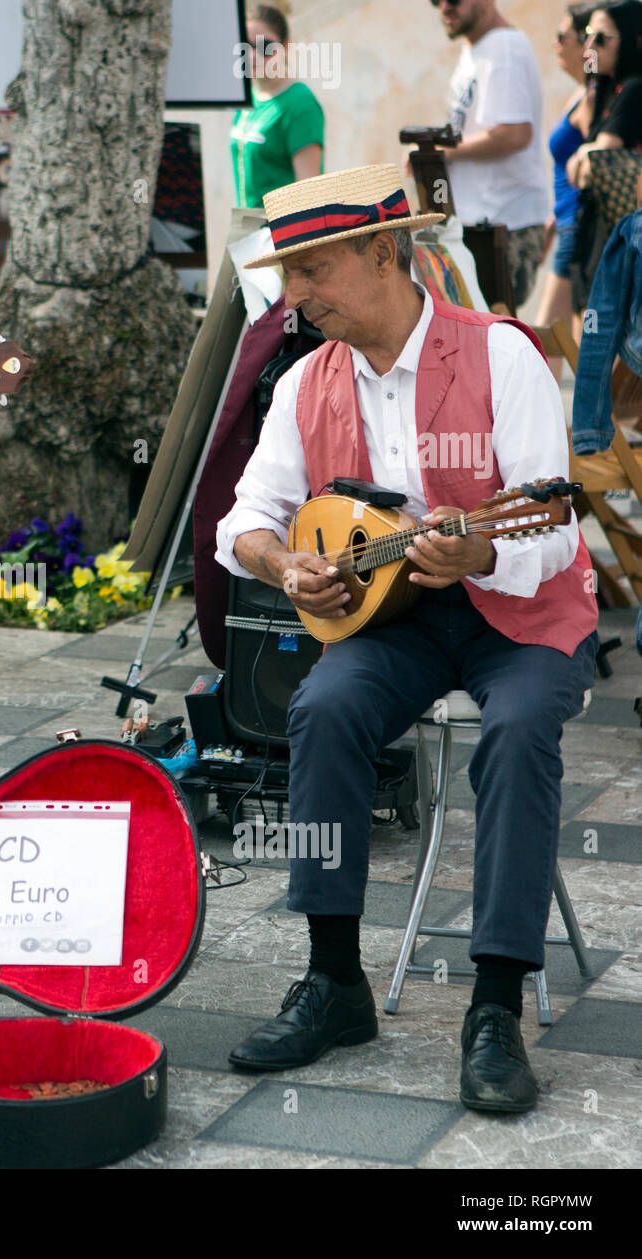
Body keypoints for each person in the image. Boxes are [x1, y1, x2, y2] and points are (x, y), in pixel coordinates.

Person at [216, 165, 598, 1113]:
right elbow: (244, 520)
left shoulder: (502, 356)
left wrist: (476, 553)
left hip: (524, 612)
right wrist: (283, 567)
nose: (294, 294)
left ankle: (496, 1006)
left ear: (384, 253)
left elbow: (549, 528)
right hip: (396, 618)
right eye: (287, 272)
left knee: (514, 733)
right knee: (325, 705)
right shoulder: (307, 380)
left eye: (311, 269)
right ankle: (335, 979)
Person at [437, 0, 549, 311]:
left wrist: (443, 153)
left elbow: (514, 133)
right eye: (435, 1)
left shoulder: (505, 48)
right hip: (480, 224)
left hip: (503, 227)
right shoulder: (477, 49)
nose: (444, 7)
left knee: (491, 334)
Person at [565, 2, 642, 305]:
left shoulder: (635, 88)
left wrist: (583, 155)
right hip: (596, 226)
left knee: (598, 335)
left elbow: (595, 160)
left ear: (634, 40)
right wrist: (583, 156)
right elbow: (580, 168)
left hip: (619, 234)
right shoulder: (610, 91)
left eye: (601, 38)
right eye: (587, 35)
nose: (588, 46)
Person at [534, 4, 593, 346]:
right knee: (556, 337)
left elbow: (591, 170)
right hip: (568, 224)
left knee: (553, 336)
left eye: (561, 37)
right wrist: (553, 221)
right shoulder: (581, 95)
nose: (555, 44)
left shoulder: (593, 98)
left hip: (580, 229)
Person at [229, 4, 324, 208]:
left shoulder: (300, 104)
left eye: (265, 47)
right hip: (248, 232)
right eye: (246, 45)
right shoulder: (248, 98)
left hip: (283, 235)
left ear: (286, 47)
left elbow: (308, 194)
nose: (253, 55)